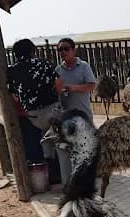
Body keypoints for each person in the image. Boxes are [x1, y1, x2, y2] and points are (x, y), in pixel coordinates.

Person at [6, 38, 63, 188]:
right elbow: (58, 83)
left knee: (34, 145)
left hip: (32, 115)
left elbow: (13, 95)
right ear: (33, 51)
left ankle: (40, 180)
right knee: (58, 143)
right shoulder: (44, 64)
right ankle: (58, 176)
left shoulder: (12, 70)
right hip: (52, 110)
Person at [54, 38, 97, 184]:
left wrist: (74, 88)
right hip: (67, 116)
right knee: (72, 146)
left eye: (66, 48)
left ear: (73, 50)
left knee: (87, 144)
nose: (63, 52)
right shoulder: (58, 70)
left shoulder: (83, 66)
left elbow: (91, 86)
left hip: (83, 113)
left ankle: (90, 174)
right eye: (60, 50)